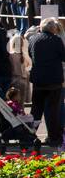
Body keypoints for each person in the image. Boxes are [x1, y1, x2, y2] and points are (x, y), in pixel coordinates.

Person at [27, 18, 65, 147]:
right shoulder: (56, 40)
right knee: (52, 110)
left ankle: (30, 135)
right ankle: (54, 137)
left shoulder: (33, 39)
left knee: (36, 110)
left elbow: (30, 55)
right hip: (53, 80)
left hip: (38, 80)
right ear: (53, 28)